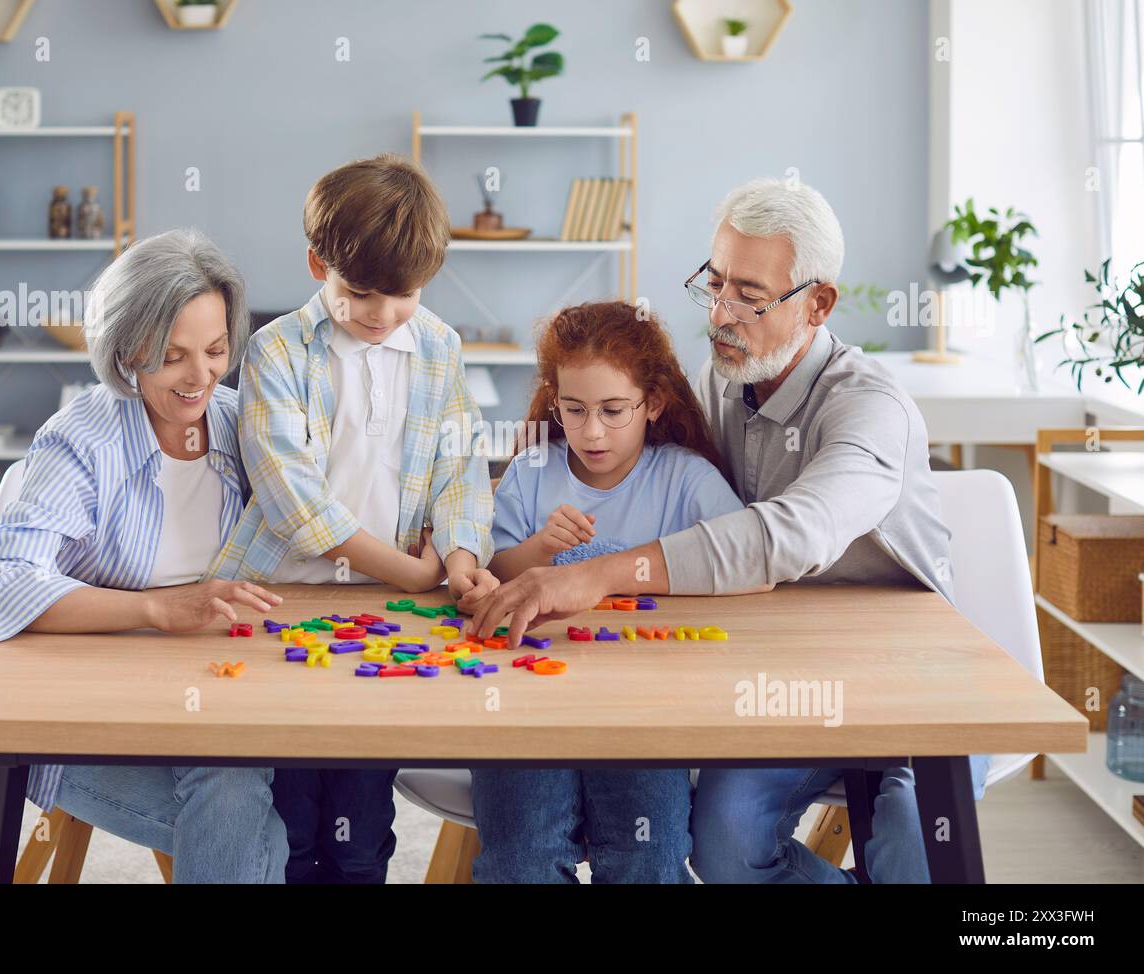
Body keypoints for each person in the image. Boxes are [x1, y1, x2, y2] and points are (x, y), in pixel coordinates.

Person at [465, 177, 986, 883]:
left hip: (909, 670)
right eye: (714, 285)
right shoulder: (723, 381)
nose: (720, 314)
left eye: (749, 294)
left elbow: (788, 538)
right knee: (725, 845)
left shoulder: (870, 409)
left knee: (912, 847)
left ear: (819, 303)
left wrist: (593, 572)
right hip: (790, 667)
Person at [205, 155, 496, 883]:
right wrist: (415, 569)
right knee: (291, 815)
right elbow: (293, 500)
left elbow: (460, 467)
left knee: (362, 822)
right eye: (360, 292)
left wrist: (458, 560)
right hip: (281, 600)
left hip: (388, 615)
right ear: (316, 264)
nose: (381, 313)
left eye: (402, 296)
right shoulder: (275, 351)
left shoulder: (439, 347)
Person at [0, 229, 288, 883]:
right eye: (172, 356)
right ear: (127, 348)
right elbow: (1, 584)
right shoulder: (80, 440)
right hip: (86, 726)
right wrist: (156, 610)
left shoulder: (240, 423)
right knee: (258, 824)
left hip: (219, 708)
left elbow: (312, 523)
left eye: (217, 350)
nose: (201, 377)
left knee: (290, 797)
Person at [472, 299, 745, 884]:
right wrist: (542, 550)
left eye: (614, 410)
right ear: (554, 400)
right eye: (574, 409)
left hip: (642, 706)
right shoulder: (531, 471)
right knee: (519, 858)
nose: (592, 431)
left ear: (654, 404)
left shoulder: (685, 477)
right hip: (529, 704)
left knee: (647, 854)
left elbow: (746, 560)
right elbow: (492, 569)